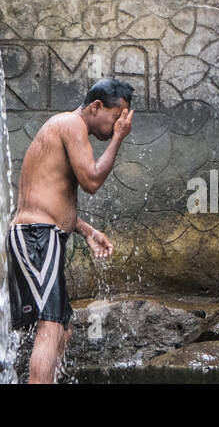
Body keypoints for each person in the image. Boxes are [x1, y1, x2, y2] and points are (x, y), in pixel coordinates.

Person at [8, 77, 134, 383]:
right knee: (50, 324)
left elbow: (49, 198)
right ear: (96, 106)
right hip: (37, 236)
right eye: (116, 117)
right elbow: (91, 181)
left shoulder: (63, 128)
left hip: (40, 235)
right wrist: (118, 138)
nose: (118, 124)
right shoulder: (71, 124)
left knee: (63, 325)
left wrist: (87, 231)